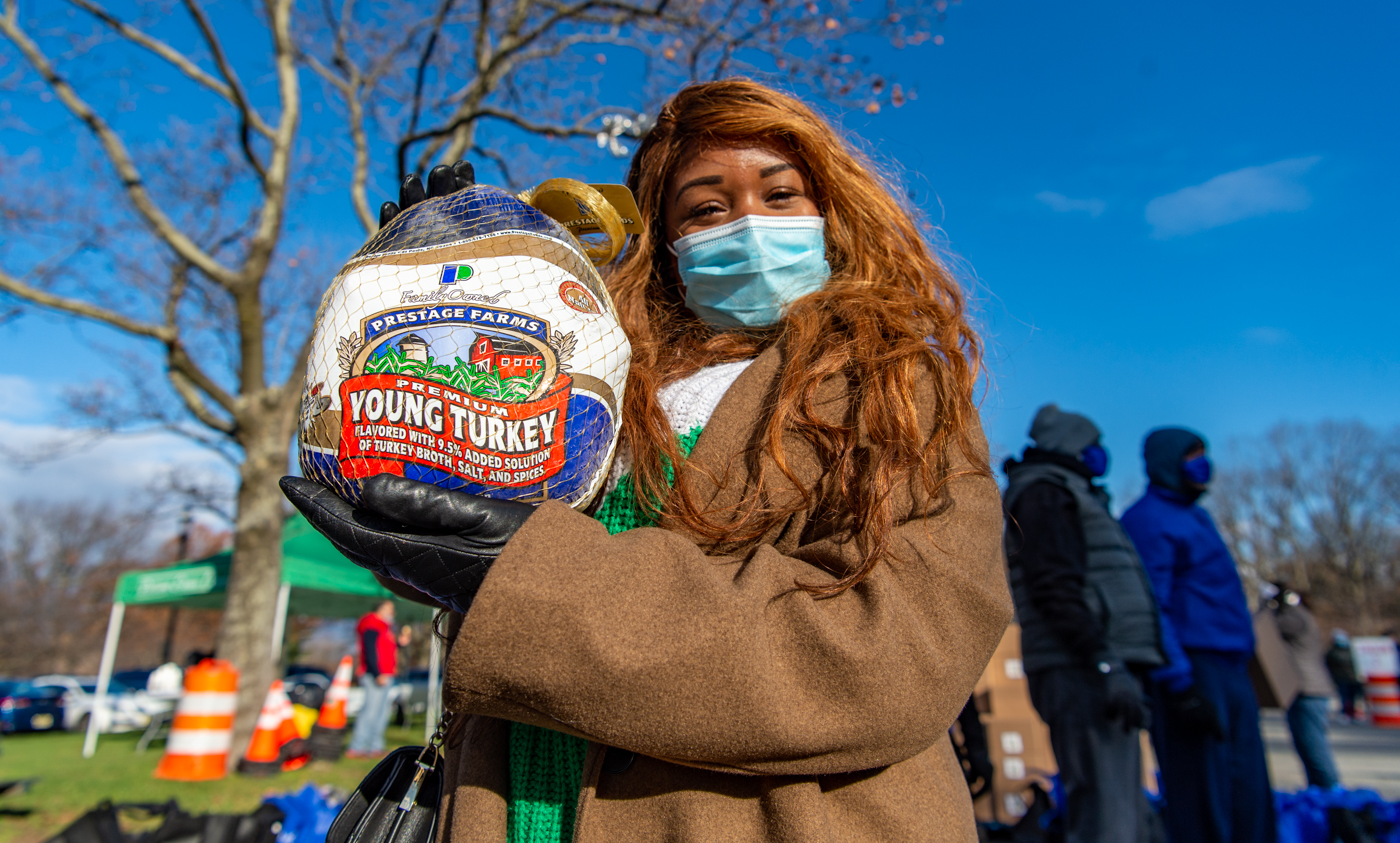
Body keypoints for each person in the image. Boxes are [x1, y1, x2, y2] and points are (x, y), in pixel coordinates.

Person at [283, 79, 1011, 842]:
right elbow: (447, 536)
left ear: (831, 215)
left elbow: (887, 656)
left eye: (780, 195)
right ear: (662, 243)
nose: (749, 227)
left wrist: (535, 584)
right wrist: (429, 318)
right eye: (706, 208)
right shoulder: (590, 386)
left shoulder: (897, 385)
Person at [1003, 404, 1163, 843]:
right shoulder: (1045, 494)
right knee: (1105, 809)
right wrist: (1103, 660)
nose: (1099, 454)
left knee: (1121, 803)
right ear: (1071, 446)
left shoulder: (1070, 492)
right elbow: (1055, 588)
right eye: (1092, 445)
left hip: (1094, 663)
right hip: (1080, 666)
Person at [1120, 428, 1275, 843]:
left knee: (1247, 787)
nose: (1203, 464)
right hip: (1193, 669)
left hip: (1230, 666)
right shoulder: (1147, 520)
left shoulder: (1197, 516)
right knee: (1202, 791)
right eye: (1193, 456)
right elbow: (1153, 606)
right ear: (1169, 462)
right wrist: (1179, 681)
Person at [1263, 583, 1340, 788]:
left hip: (1308, 691)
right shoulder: (1301, 615)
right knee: (1309, 749)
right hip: (1306, 691)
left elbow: (1262, 627)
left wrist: (1267, 605)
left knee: (1314, 750)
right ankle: (1323, 794)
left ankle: (1331, 797)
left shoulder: (1295, 618)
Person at [348, 600, 409, 759]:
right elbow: (370, 650)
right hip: (375, 675)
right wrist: (376, 673)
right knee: (371, 711)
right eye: (390, 609)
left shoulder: (385, 627)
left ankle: (375, 746)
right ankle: (358, 747)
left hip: (386, 673)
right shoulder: (371, 623)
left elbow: (385, 648)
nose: (393, 613)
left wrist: (399, 644)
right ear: (380, 609)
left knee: (382, 712)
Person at [1327, 630, 1363, 721]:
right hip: (1342, 678)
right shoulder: (1333, 652)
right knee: (1345, 697)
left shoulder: (1352, 651)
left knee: (1353, 698)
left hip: (1353, 678)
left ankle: (1353, 714)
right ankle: (1345, 713)